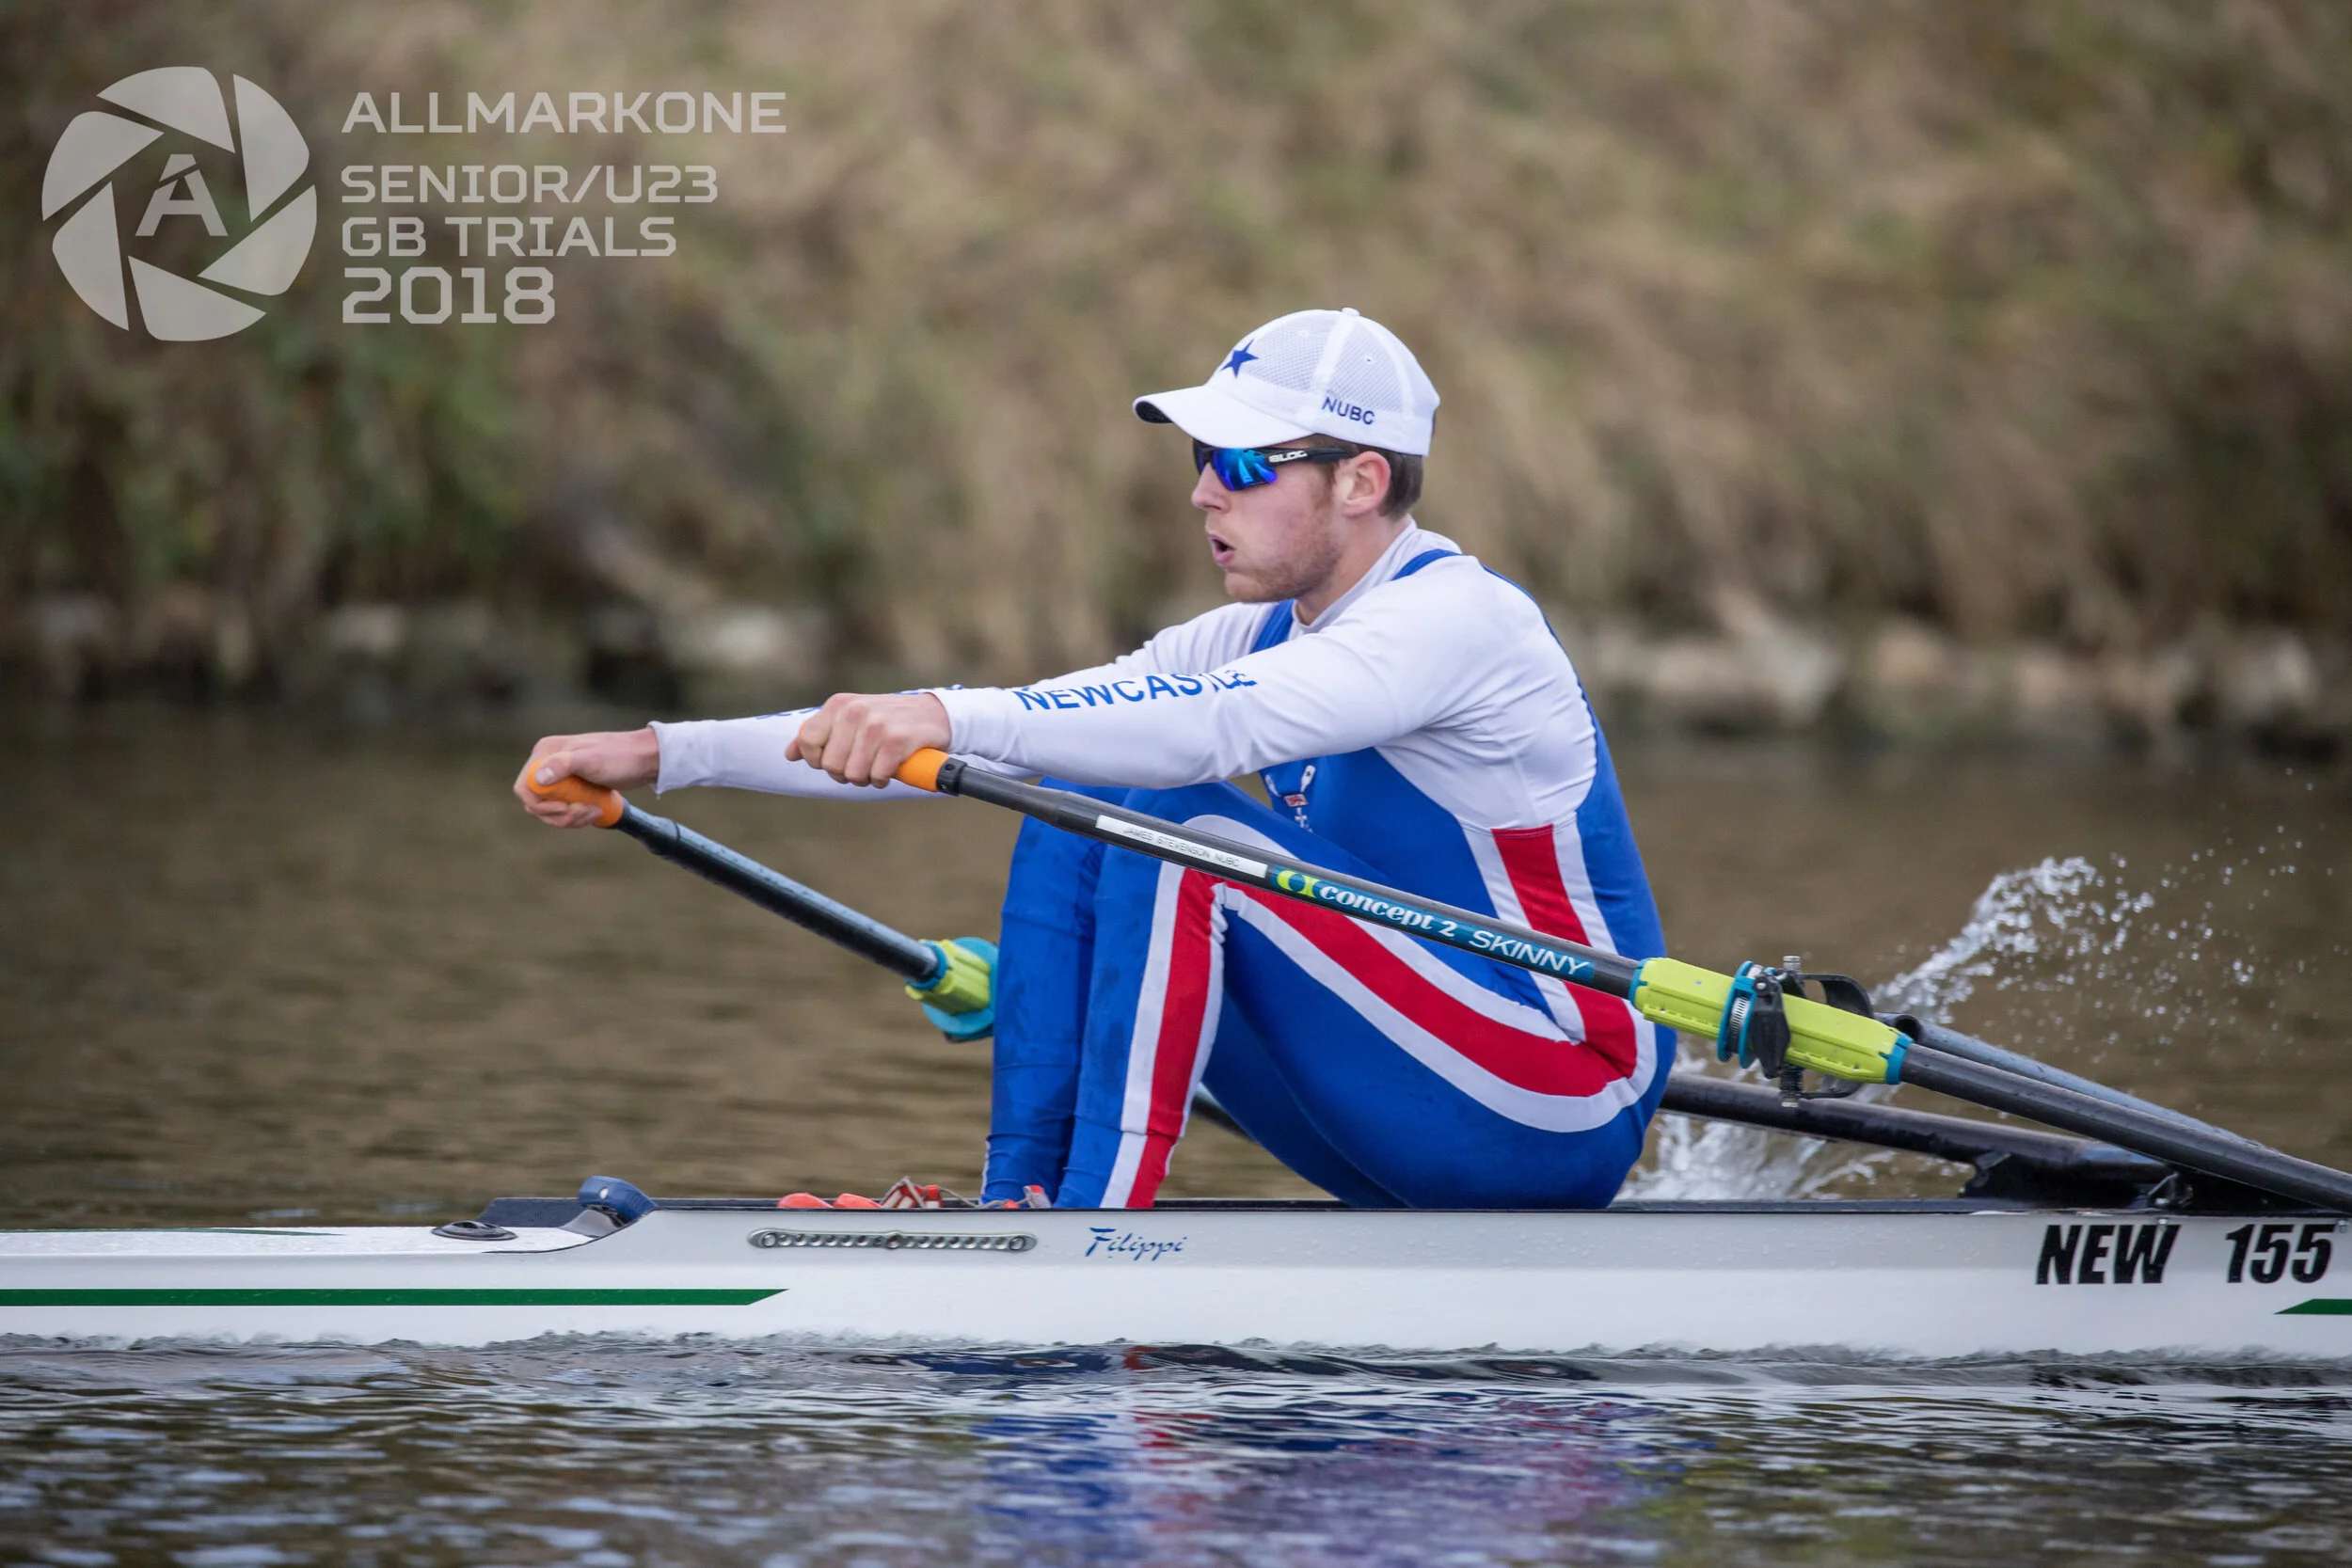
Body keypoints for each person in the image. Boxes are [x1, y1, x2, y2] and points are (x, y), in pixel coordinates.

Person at [518, 307, 1672, 1211]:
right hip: (1436, 1068)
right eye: (1201, 459)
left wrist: (944, 713)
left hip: (1561, 1084)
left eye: (1244, 463)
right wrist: (664, 750)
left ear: (1362, 480)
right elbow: (1029, 720)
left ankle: (1092, 1230)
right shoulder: (1256, 635)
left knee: (1184, 824)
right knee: (1074, 783)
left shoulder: (1461, 624)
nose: (1202, 490)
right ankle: (1024, 1198)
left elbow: (1213, 733)